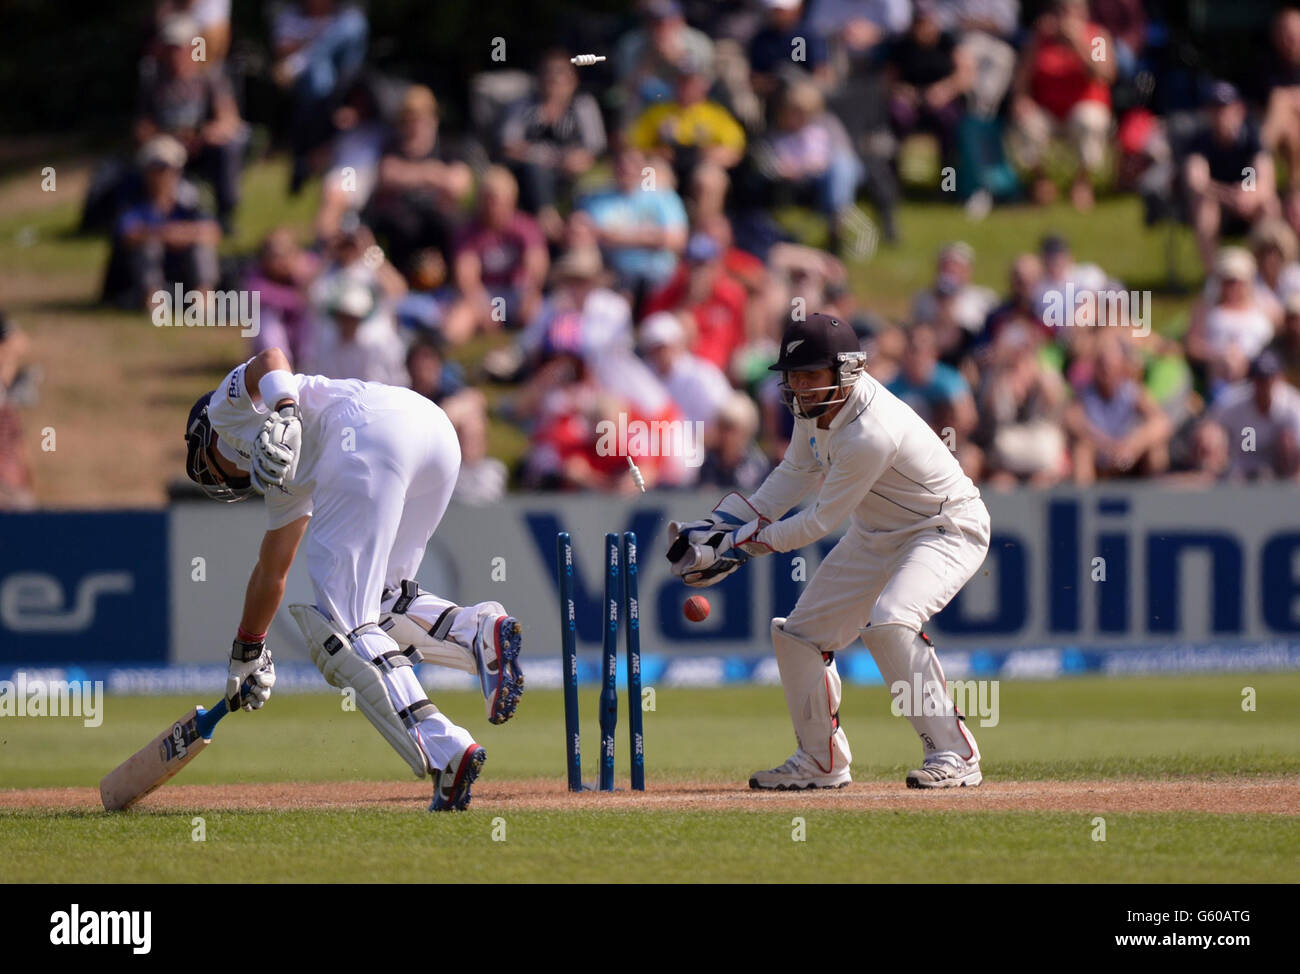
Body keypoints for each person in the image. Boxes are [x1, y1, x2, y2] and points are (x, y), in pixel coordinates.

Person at [181, 348, 526, 811]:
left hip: (366, 434)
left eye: (205, 460)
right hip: (429, 429)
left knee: (346, 627)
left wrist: (284, 412)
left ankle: (447, 750)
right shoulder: (284, 486)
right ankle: (477, 631)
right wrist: (247, 653)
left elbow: (269, 358)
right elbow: (271, 571)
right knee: (382, 605)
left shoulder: (225, 413)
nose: (213, 476)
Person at [666, 312, 991, 789]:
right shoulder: (811, 410)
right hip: (875, 533)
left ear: (848, 371)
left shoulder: (870, 431)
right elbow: (794, 475)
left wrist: (738, 547)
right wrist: (726, 525)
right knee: (800, 636)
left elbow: (818, 521)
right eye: (793, 376)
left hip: (945, 527)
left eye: (811, 374)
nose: (800, 387)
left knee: (891, 619)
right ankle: (820, 761)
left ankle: (954, 752)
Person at [1184, 82, 1279, 274]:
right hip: (1219, 205)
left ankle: (1264, 274)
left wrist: (1248, 195)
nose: (1221, 115)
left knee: (1269, 205)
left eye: (1225, 108)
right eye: (1215, 109)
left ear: (1239, 109)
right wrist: (1227, 195)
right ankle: (1214, 277)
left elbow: (1265, 178)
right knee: (1205, 207)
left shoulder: (1252, 136)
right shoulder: (1200, 141)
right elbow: (1196, 181)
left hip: (1248, 202)